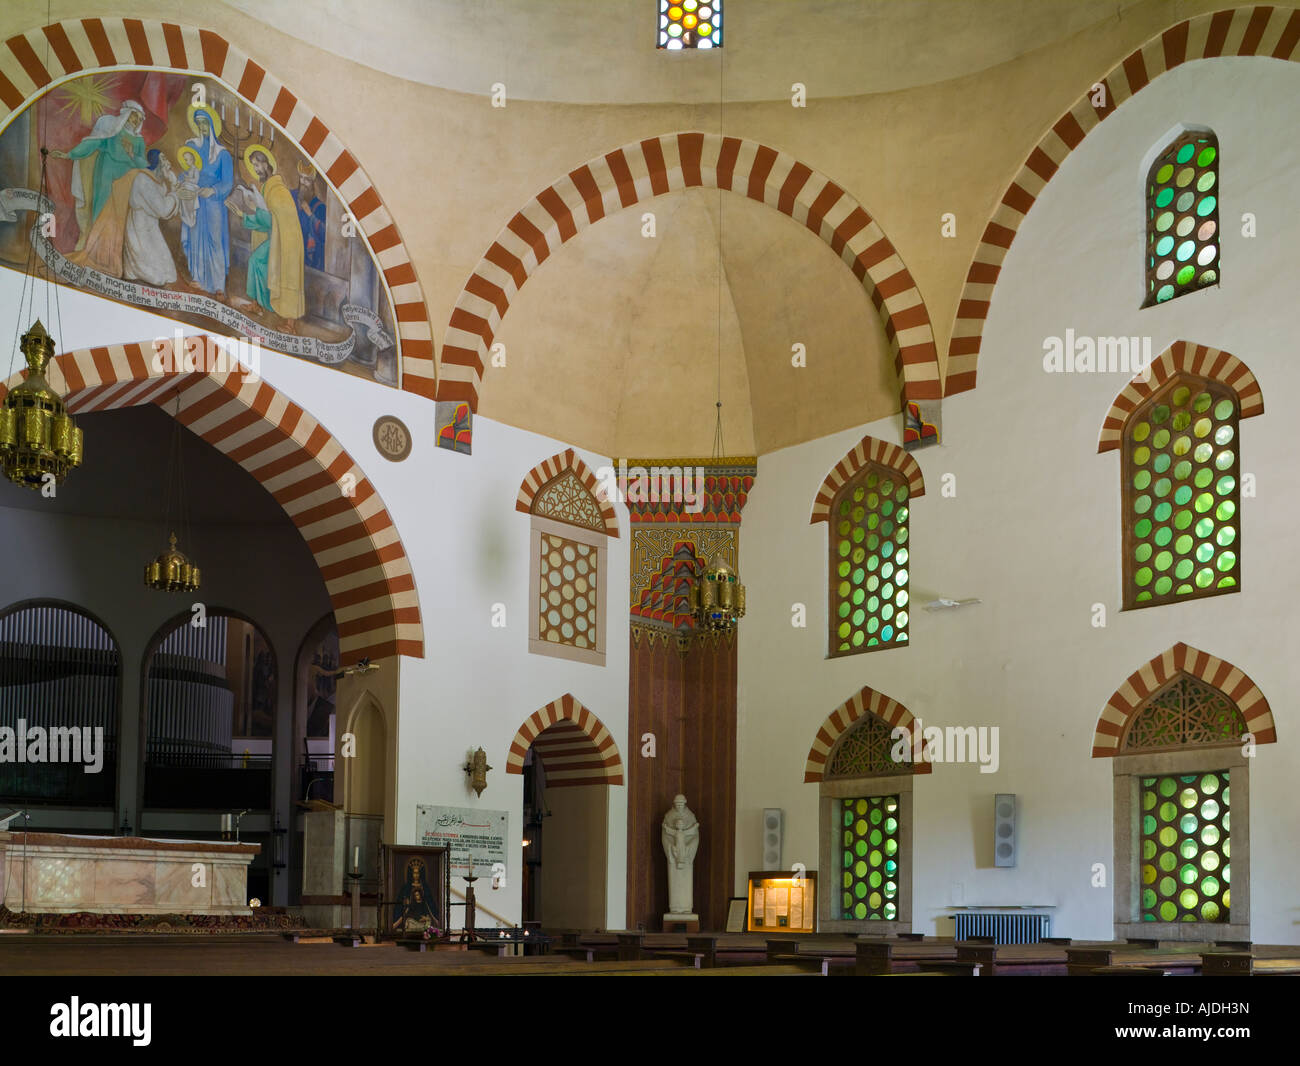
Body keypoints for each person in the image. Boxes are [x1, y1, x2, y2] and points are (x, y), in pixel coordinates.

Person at [69, 148, 194, 284]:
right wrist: (176, 193)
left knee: (169, 274)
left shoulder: (157, 183)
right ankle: (134, 275)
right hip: (138, 232)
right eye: (164, 160)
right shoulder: (143, 180)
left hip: (151, 231)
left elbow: (163, 206)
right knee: (157, 277)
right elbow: (163, 209)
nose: (168, 163)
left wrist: (173, 184)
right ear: (157, 163)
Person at [226, 145, 305, 331]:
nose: (256, 169)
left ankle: (290, 323)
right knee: (255, 261)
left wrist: (253, 209)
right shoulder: (265, 189)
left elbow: (271, 220)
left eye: (258, 165)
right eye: (253, 166)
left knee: (287, 276)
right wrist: (243, 213)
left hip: (286, 244)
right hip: (275, 240)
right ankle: (257, 304)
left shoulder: (278, 190)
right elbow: (266, 222)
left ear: (267, 164)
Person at [51, 100, 148, 228]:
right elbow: (92, 143)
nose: (136, 121)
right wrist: (69, 154)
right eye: (135, 116)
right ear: (127, 114)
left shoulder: (139, 140)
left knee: (123, 209)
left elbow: (143, 163)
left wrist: (132, 155)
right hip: (107, 171)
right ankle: (96, 238)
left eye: (140, 119)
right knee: (103, 203)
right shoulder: (113, 130)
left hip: (127, 176)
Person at [180, 106, 233, 293]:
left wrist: (212, 190)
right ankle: (197, 277)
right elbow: (185, 171)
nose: (201, 126)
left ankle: (218, 286)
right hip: (195, 201)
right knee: (195, 238)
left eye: (205, 122)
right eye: (199, 123)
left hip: (213, 204)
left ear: (211, 124)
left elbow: (228, 183)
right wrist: (182, 185)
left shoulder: (222, 154)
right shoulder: (192, 146)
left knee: (214, 240)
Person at [660, 794, 700, 915]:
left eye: (681, 804)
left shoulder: (690, 816)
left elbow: (695, 835)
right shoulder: (669, 816)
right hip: (673, 855)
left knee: (686, 881)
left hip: (687, 856)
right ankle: (675, 907)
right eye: (677, 804)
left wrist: (689, 848)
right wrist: (671, 849)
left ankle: (687, 907)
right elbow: (665, 835)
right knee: (674, 880)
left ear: (685, 803)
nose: (679, 806)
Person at [292, 162, 327, 271]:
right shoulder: (291, 196)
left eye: (307, 180)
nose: (303, 182)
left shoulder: (320, 207)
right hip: (292, 254)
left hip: (309, 261)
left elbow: (324, 235)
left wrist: (310, 214)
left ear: (313, 183)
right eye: (301, 178)